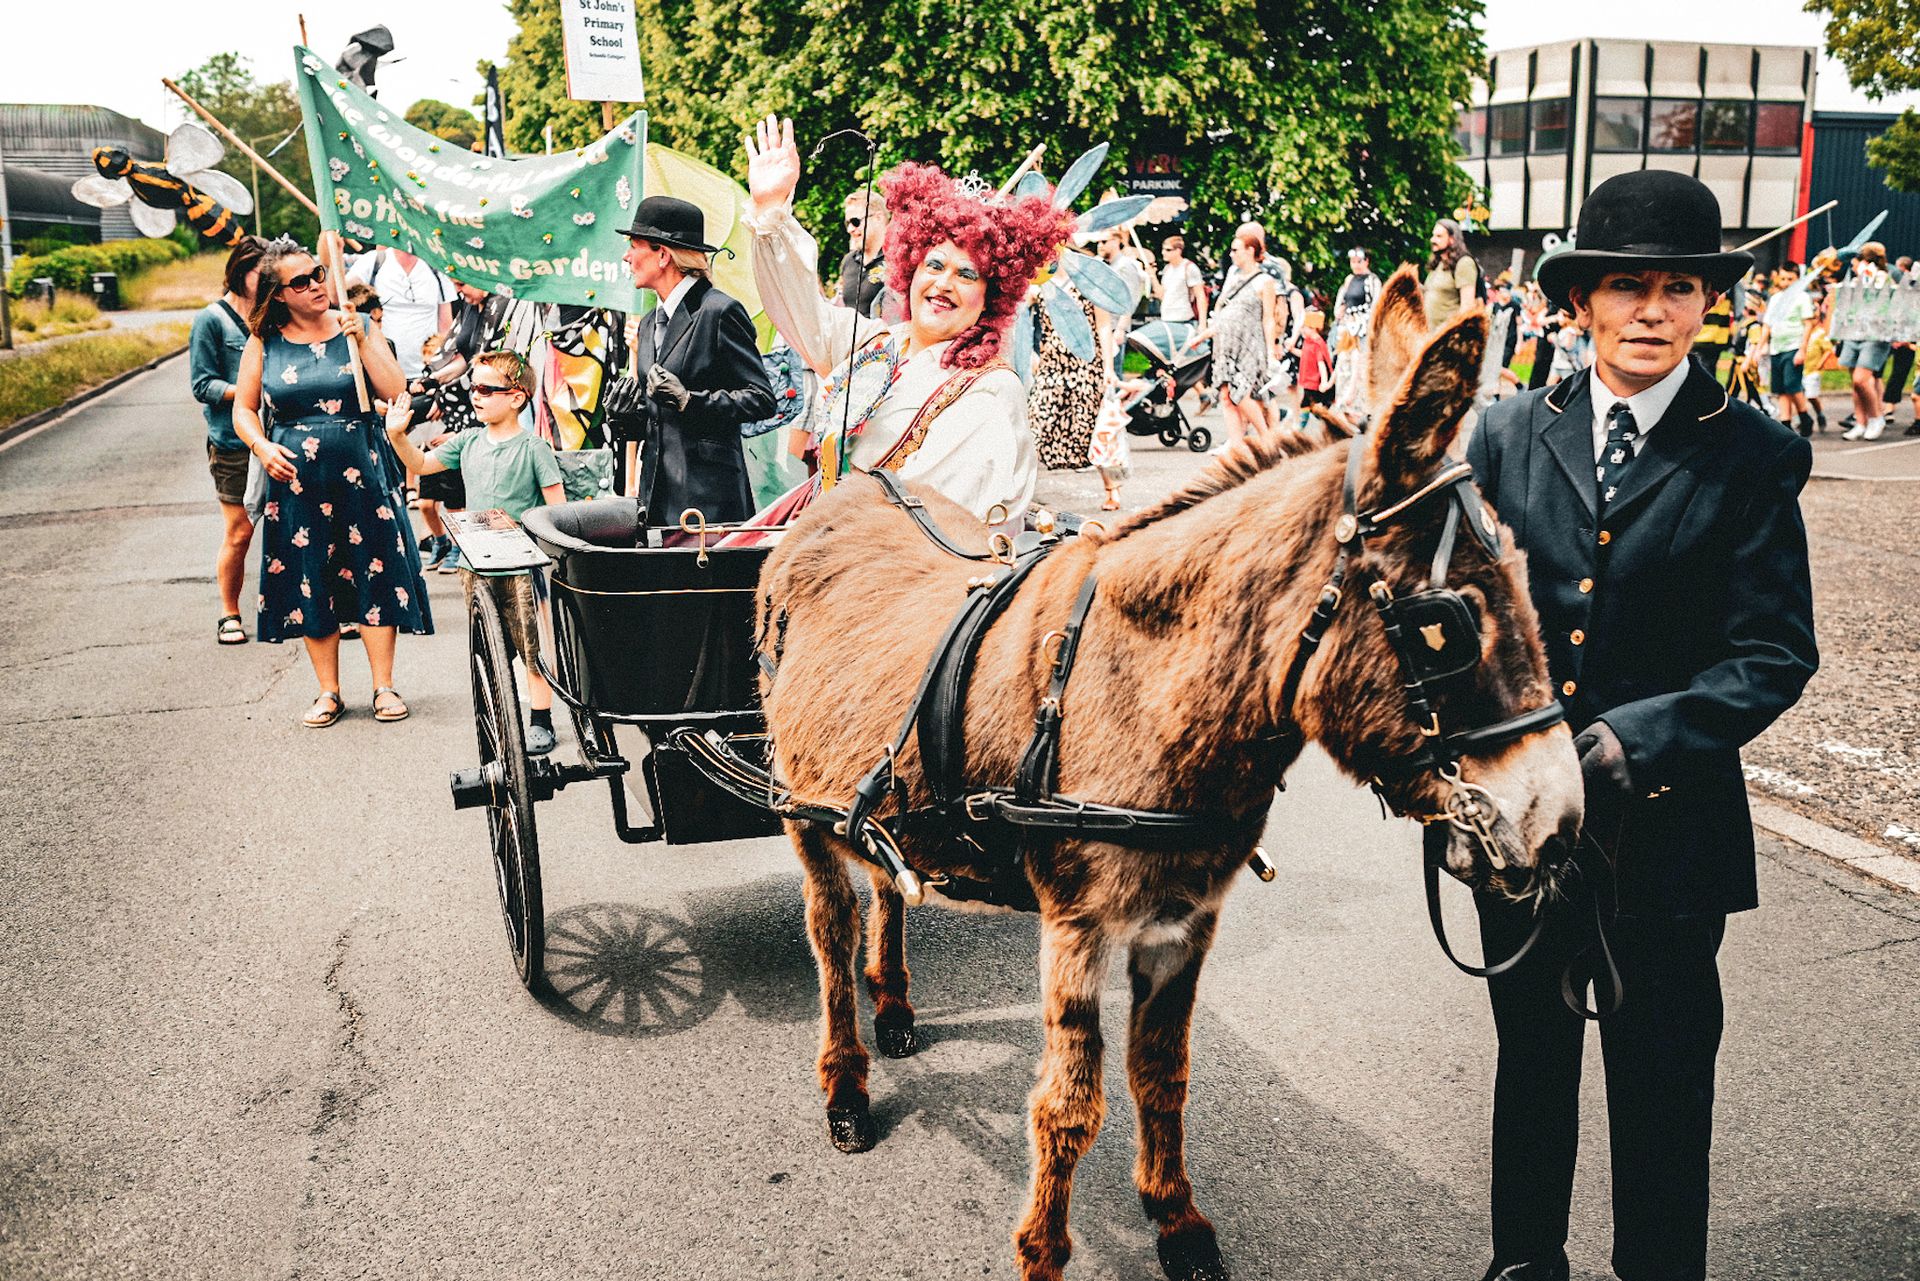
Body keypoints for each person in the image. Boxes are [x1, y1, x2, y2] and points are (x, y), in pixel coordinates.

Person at [1465, 169, 1817, 1281]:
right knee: (1531, 1062)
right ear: (1582, 302)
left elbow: (1773, 653)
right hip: (1519, 830)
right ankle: (1526, 1260)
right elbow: (1458, 617)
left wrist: (1629, 741)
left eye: (1679, 288)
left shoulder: (1752, 452)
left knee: (1664, 1079)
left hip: (1669, 833)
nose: (1654, 311)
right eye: (1628, 285)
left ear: (1710, 304)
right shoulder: (1507, 433)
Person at [738, 115, 1073, 526]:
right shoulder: (877, 343)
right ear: (911, 270)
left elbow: (941, 520)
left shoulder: (991, 389)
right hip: (829, 542)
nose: (944, 283)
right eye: (934, 265)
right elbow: (802, 311)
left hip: (893, 569)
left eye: (966, 274)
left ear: (992, 296)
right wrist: (772, 209)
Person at [231, 238, 433, 728]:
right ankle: (328, 691)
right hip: (296, 479)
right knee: (310, 573)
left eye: (318, 273)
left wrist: (361, 339)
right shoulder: (266, 339)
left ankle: (384, 685)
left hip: (362, 469)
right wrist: (261, 446)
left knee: (374, 568)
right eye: (301, 282)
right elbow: (244, 407)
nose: (316, 285)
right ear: (279, 294)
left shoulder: (355, 324)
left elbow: (396, 390)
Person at [383, 350, 564, 754]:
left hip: (522, 566)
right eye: (472, 388)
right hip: (476, 563)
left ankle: (541, 718)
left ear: (516, 397)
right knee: (488, 646)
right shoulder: (467, 441)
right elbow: (422, 463)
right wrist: (397, 435)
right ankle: (502, 714)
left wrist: (553, 556)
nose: (475, 396)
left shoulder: (534, 448)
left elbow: (556, 510)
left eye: (485, 389)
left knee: (532, 646)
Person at [601, 195, 775, 524]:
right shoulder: (650, 322)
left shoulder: (719, 312)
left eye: (634, 245)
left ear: (663, 254)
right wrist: (624, 418)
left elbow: (762, 399)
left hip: (710, 504)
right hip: (657, 503)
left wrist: (689, 401)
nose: (626, 257)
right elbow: (657, 420)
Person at [188, 234, 268, 646]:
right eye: (262, 273)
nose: (269, 280)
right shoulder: (212, 320)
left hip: (281, 438)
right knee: (240, 531)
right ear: (241, 272)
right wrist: (252, 389)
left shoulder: (277, 315)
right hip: (233, 443)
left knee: (301, 527)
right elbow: (202, 385)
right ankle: (229, 612)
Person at [1187, 228, 1280, 448]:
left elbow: (1268, 319)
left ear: (1250, 250)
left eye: (1235, 250)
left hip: (1249, 346)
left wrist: (1270, 350)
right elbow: (1222, 312)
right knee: (1226, 397)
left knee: (1243, 395)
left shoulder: (1265, 281)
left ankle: (1266, 438)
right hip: (1225, 345)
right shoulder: (1233, 277)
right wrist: (1205, 334)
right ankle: (1236, 448)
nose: (1231, 254)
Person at [345, 244, 454, 380]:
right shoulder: (375, 260)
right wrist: (334, 248)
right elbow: (336, 296)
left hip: (427, 376)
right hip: (383, 376)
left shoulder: (437, 265)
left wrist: (438, 372)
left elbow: (446, 329)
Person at [1839, 241, 1893, 440]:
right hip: (1854, 332)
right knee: (1856, 382)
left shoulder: (1881, 277)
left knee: (1861, 379)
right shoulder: (1856, 279)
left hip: (1874, 334)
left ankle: (1876, 417)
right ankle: (1860, 422)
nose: (1852, 264)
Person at [1763, 273, 1818, 437]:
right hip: (1776, 347)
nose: (1786, 283)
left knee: (1792, 384)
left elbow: (1808, 325)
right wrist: (1760, 347)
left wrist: (1802, 349)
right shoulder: (1775, 299)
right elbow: (1767, 324)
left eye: (1790, 279)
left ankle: (1804, 416)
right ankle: (1785, 424)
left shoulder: (1802, 297)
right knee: (1780, 389)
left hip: (1794, 346)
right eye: (1783, 279)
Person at [837, 186, 889, 317]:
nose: (850, 229)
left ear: (878, 218)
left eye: (855, 222)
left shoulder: (897, 260)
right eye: (847, 223)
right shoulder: (848, 261)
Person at [1424, 218, 1480, 328]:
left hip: (1448, 338)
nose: (1433, 240)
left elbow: (1467, 308)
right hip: (1430, 337)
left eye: (1439, 236)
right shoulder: (1438, 264)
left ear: (1452, 239)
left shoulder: (1464, 263)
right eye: (1433, 235)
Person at [1289, 307, 1333, 416]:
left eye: (1304, 327)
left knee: (1312, 406)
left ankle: (1300, 428)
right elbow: (1305, 355)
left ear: (1313, 328)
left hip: (1315, 382)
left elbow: (1321, 364)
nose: (1302, 330)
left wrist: (1324, 381)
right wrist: (1293, 350)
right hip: (1309, 381)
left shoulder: (1317, 344)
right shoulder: (1309, 341)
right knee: (1311, 406)